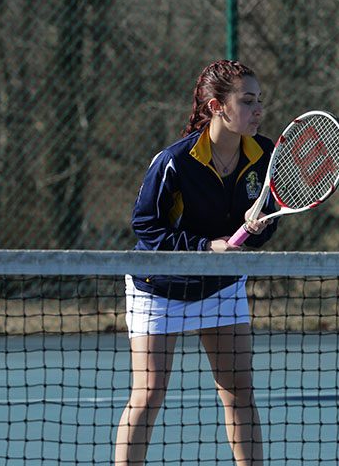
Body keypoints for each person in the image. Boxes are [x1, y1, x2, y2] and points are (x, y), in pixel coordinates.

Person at [115, 59, 275, 465]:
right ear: (218, 105)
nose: (259, 110)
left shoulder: (265, 155)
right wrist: (206, 247)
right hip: (159, 287)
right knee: (149, 393)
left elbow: (268, 218)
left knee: (239, 389)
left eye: (260, 101)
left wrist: (255, 231)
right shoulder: (175, 161)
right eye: (248, 101)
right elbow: (147, 229)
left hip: (219, 286)